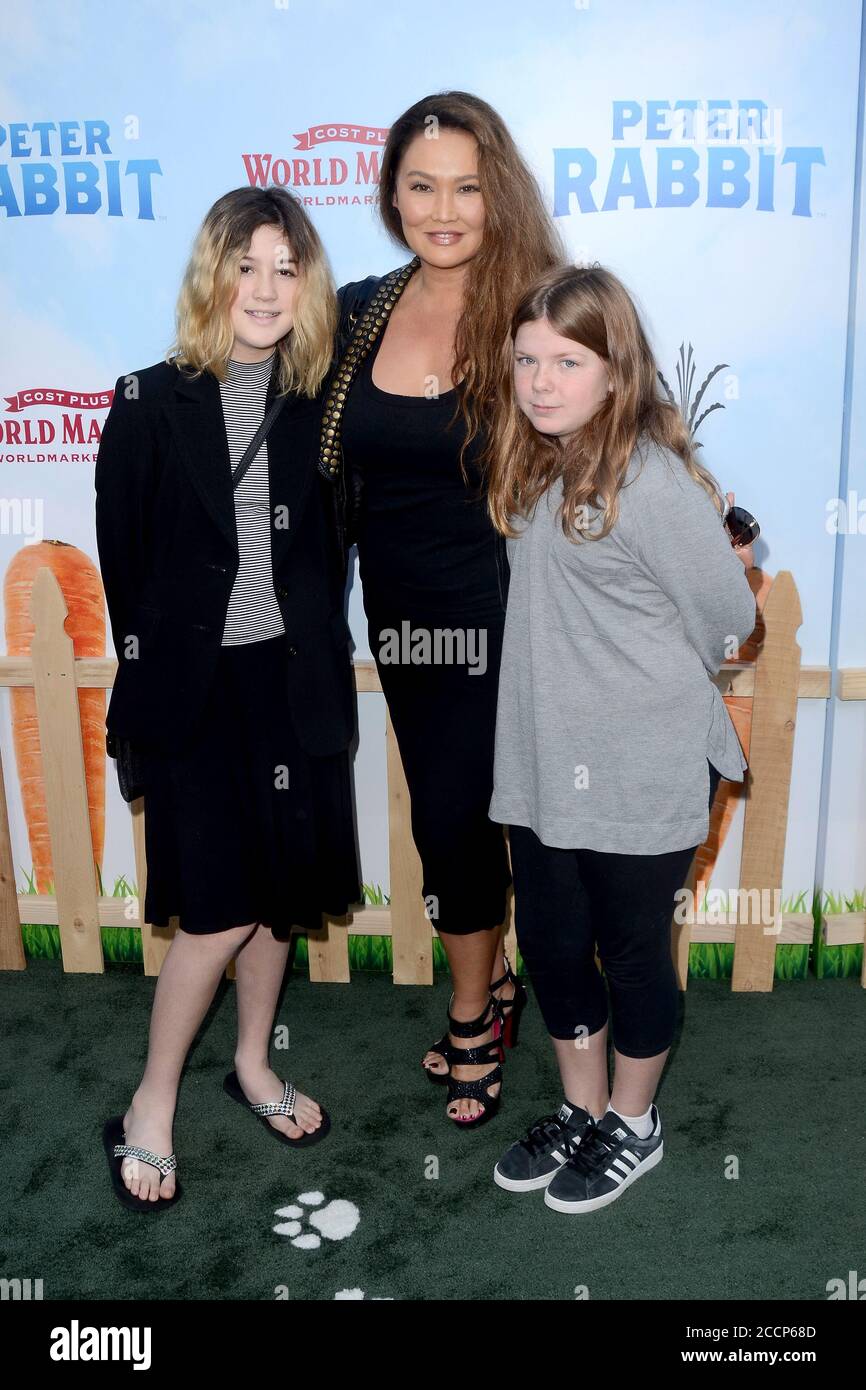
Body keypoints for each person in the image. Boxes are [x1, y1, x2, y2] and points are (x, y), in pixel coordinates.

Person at [95, 186, 361, 1211]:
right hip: (197, 696)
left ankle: (251, 1062)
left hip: (289, 686)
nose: (264, 287)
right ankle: (150, 1102)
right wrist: (153, 705)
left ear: (309, 285)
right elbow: (130, 581)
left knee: (278, 902)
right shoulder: (144, 402)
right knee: (214, 911)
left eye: (285, 268)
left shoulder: (319, 411)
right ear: (212, 275)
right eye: (244, 265)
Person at [485, 264, 757, 1210]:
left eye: (567, 360)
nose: (541, 380)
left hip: (641, 771)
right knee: (556, 949)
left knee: (634, 954)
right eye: (527, 359)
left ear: (616, 369)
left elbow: (731, 621)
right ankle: (584, 1110)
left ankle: (635, 1127)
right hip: (538, 762)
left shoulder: (651, 479)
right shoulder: (528, 463)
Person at [320, 91, 565, 1125]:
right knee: (447, 818)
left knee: (536, 822)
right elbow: (296, 453)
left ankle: (482, 1012)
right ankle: (486, 991)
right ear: (389, 196)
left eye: (466, 184)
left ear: (495, 190)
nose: (443, 206)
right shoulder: (358, 309)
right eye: (420, 185)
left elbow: (618, 428)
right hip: (409, 614)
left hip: (524, 603)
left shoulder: (540, 306)